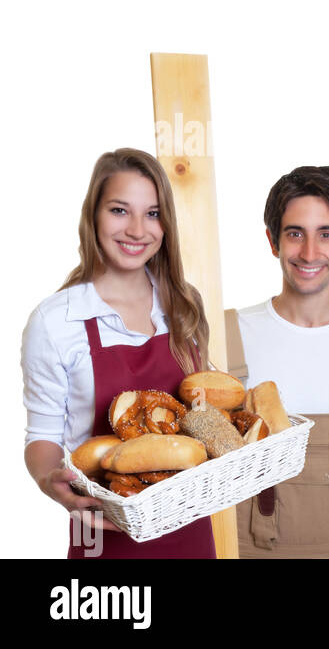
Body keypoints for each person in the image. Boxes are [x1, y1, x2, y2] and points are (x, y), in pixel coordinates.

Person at [22, 148, 215, 558]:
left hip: (192, 533)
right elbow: (42, 435)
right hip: (103, 537)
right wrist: (47, 479)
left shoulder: (183, 304)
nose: (137, 230)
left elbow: (202, 410)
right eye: (119, 210)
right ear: (93, 215)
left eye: (152, 213)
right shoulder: (57, 321)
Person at [230, 166, 329, 558]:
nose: (309, 253)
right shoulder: (225, 336)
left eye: (326, 234)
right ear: (272, 241)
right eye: (295, 234)